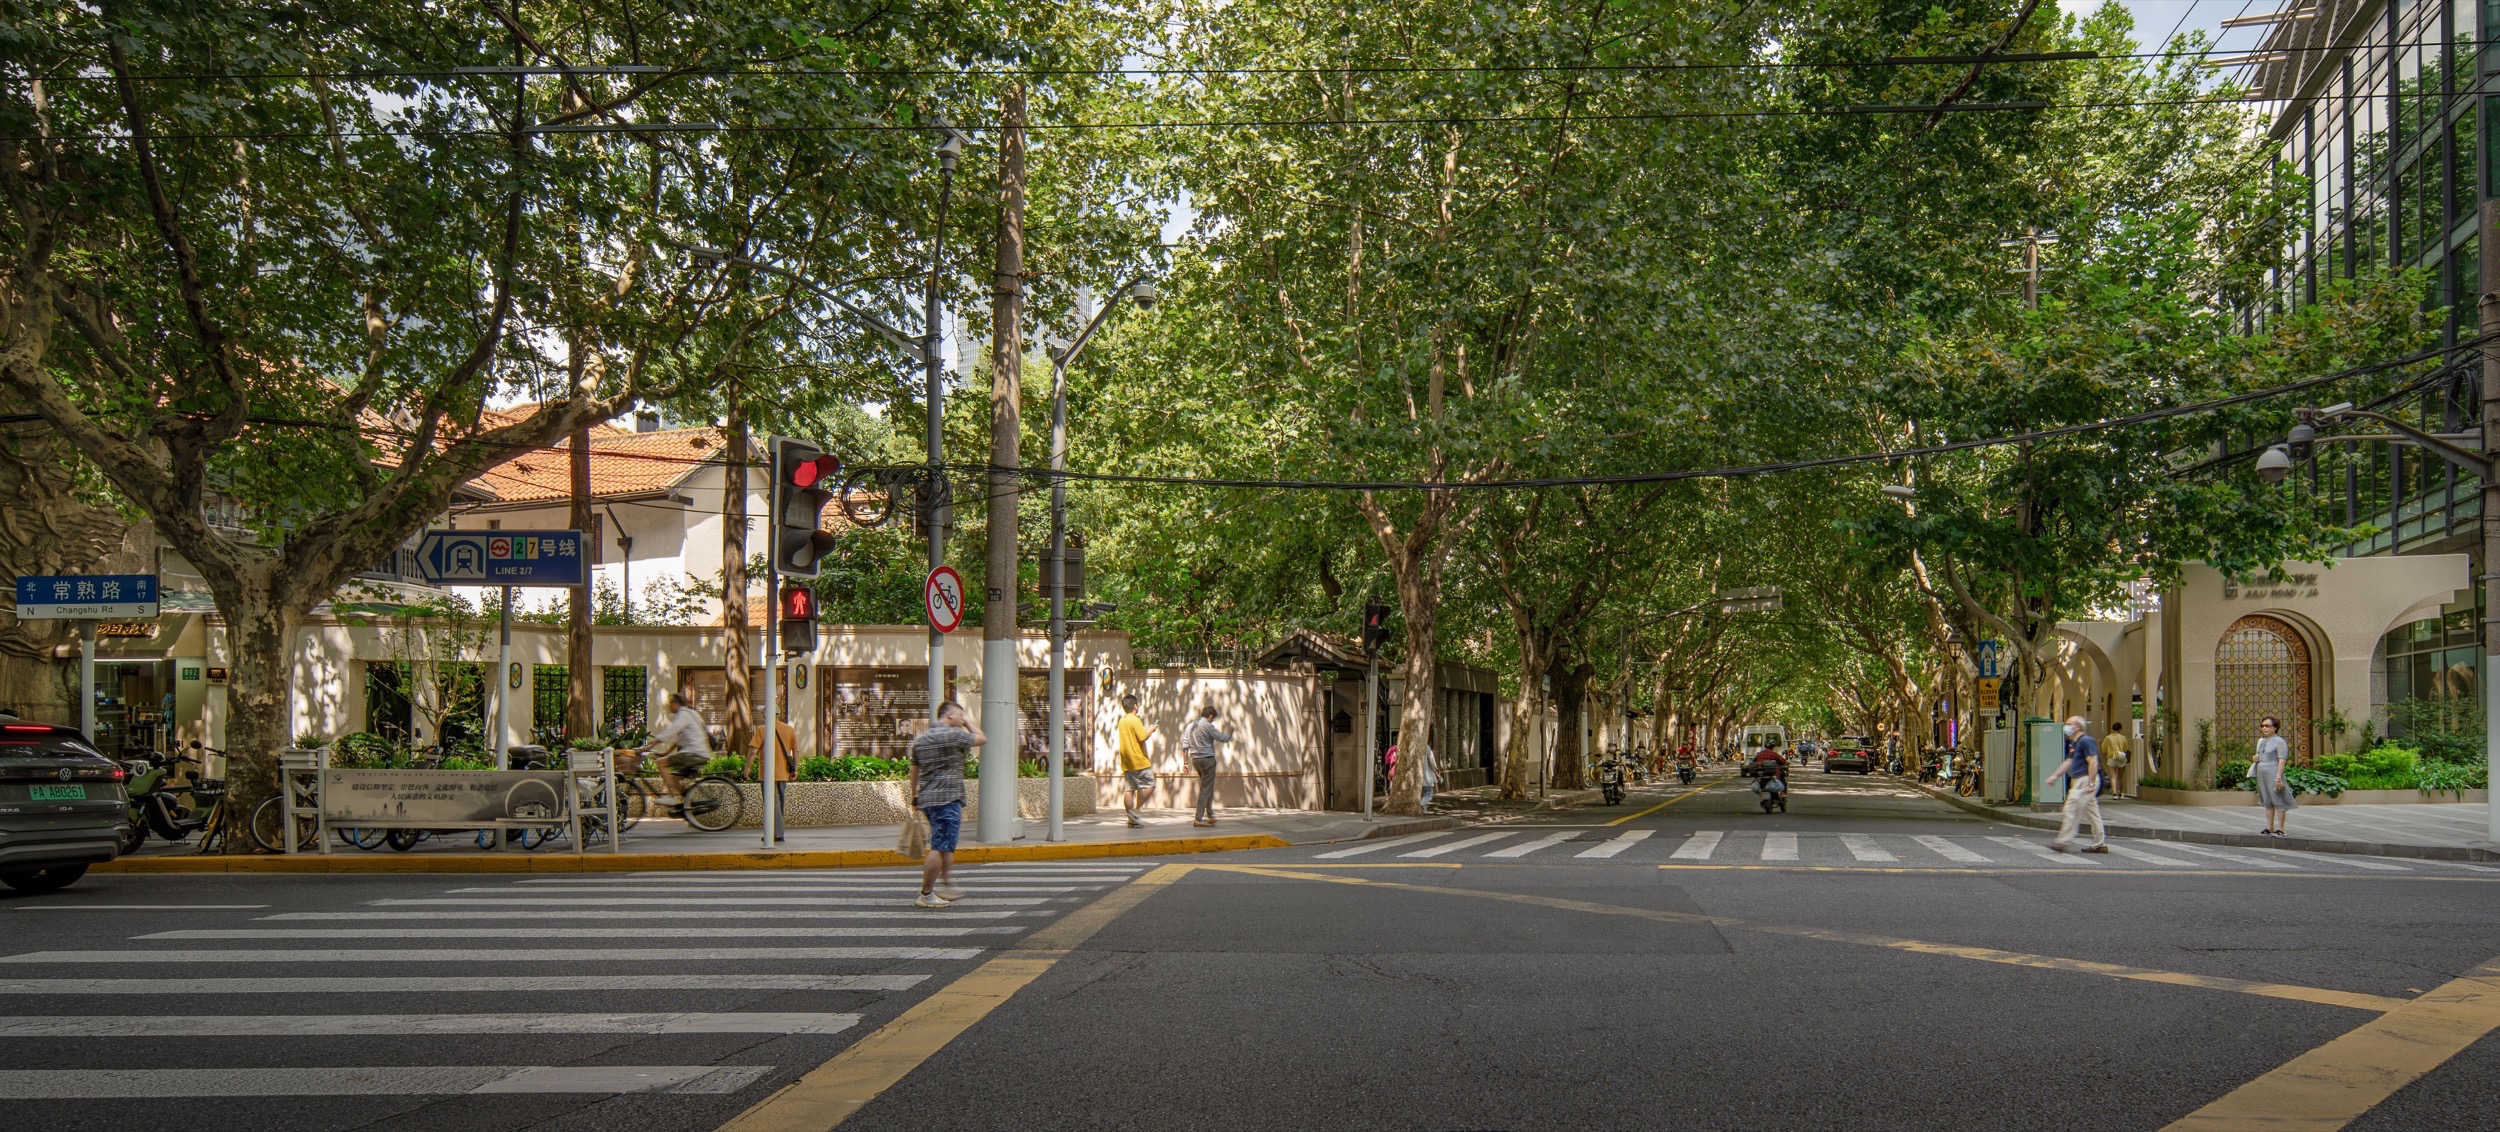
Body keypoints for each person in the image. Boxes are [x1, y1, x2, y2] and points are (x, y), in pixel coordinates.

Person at [908, 701, 985, 907]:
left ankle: (946, 883)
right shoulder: (954, 735)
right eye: (960, 715)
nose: (962, 719)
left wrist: (914, 795)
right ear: (950, 715)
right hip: (947, 798)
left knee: (945, 845)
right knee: (940, 845)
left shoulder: (921, 739)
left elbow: (914, 770)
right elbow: (982, 738)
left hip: (928, 799)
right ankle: (926, 894)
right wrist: (968, 723)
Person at [642, 693, 712, 816]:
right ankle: (687, 801)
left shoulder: (683, 715)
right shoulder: (693, 714)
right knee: (674, 779)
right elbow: (678, 740)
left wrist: (649, 746)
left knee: (661, 764)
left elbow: (670, 732)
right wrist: (665, 752)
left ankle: (671, 796)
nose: (669, 707)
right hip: (701, 753)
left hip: (693, 753)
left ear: (676, 703)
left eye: (670, 704)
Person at [2049, 715, 2107, 854]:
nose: (2066, 726)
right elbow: (2068, 762)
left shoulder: (2085, 741)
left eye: (2068, 724)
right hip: (2080, 780)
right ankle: (2100, 844)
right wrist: (2055, 776)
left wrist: (2092, 783)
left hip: (2085, 780)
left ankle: (2062, 841)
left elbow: (2093, 762)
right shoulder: (2074, 743)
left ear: (2077, 727)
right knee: (2092, 813)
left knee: (2071, 808)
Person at [741, 714, 801, 842]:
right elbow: (796, 751)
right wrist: (795, 768)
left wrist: (747, 767)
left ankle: (777, 834)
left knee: (771, 803)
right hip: (784, 773)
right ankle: (774, 832)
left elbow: (752, 751)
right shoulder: (789, 729)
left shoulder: (762, 729)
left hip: (767, 773)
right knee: (779, 804)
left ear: (765, 715)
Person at [1179, 704, 1233, 828]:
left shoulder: (1190, 726)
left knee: (1207, 787)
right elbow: (1222, 738)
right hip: (1207, 760)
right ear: (1211, 716)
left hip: (1195, 760)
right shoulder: (1208, 726)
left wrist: (1185, 763)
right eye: (1213, 719)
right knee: (1205, 789)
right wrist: (1229, 733)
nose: (1212, 721)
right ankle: (1198, 818)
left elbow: (1185, 745)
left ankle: (1210, 814)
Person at [2252, 715, 2295, 836]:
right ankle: (2269, 827)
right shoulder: (2262, 741)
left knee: (2278, 799)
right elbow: (2259, 756)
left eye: (2267, 726)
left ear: (2275, 727)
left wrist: (2278, 777)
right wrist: (2255, 758)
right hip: (2262, 773)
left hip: (2273, 772)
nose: (2264, 728)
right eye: (2263, 726)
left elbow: (2282, 760)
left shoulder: (2279, 741)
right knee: (2267, 800)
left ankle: (2281, 828)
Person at [1116, 694, 1155, 827]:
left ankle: (1131, 819)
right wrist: (1151, 730)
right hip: (1139, 760)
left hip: (1126, 762)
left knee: (1129, 789)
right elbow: (1142, 737)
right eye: (1137, 704)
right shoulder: (1135, 720)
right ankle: (1136, 811)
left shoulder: (1122, 721)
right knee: (1151, 784)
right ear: (1135, 706)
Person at [2101, 724, 2132, 799]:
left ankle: (2114, 794)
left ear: (2112, 729)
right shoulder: (2123, 738)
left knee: (2113, 777)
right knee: (2120, 777)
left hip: (2111, 757)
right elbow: (2126, 748)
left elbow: (2103, 748)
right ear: (2120, 729)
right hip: (2121, 757)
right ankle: (2121, 793)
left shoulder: (2108, 738)